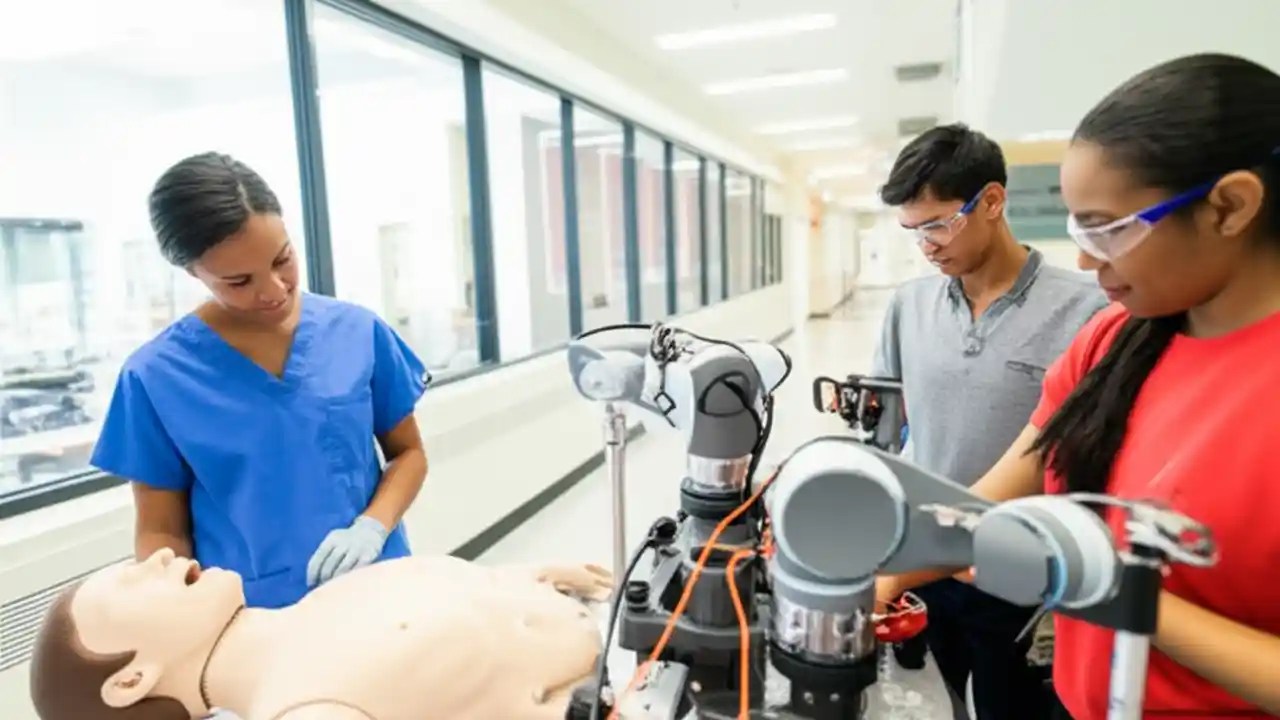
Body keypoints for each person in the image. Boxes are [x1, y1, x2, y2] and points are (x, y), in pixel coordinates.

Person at [877, 52, 1280, 719]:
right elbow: (987, 503)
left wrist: (1110, 588)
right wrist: (869, 579)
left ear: (1231, 206)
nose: (1088, 260)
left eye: (1109, 228)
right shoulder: (1116, 342)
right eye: (1078, 226)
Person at [90, 152, 432, 610]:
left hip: (380, 587)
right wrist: (180, 617)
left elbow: (408, 453)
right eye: (239, 281)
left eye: (283, 259)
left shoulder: (357, 332)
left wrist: (372, 527)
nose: (273, 290)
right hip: (252, 619)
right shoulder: (155, 377)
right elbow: (162, 531)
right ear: (193, 271)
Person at [870, 123, 1107, 718]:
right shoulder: (909, 306)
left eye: (938, 224)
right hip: (925, 560)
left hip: (1025, 571)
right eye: (912, 231)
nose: (927, 245)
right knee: (932, 700)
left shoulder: (1088, 309)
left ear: (993, 201)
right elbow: (887, 425)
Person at [28, 548, 614, 720]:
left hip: (633, 627)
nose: (156, 554)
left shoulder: (310, 612)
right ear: (132, 678)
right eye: (132, 583)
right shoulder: (302, 708)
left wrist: (527, 575)